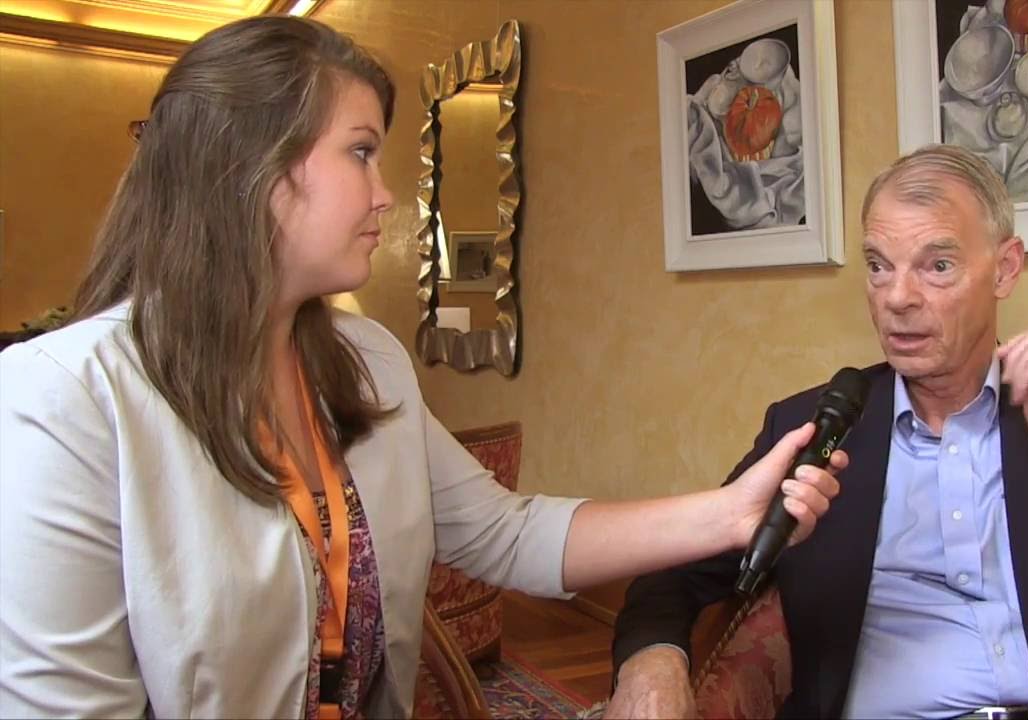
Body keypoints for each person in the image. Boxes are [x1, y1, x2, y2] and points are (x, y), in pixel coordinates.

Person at [0, 17, 846, 719]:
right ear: (248, 164)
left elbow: (507, 534)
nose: (385, 194)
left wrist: (729, 514)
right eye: (360, 152)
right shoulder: (64, 401)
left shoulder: (368, 361)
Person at [608, 144, 1028, 719]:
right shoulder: (815, 428)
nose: (897, 298)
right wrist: (650, 661)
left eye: (936, 265)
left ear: (1005, 270)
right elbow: (677, 571)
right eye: (878, 266)